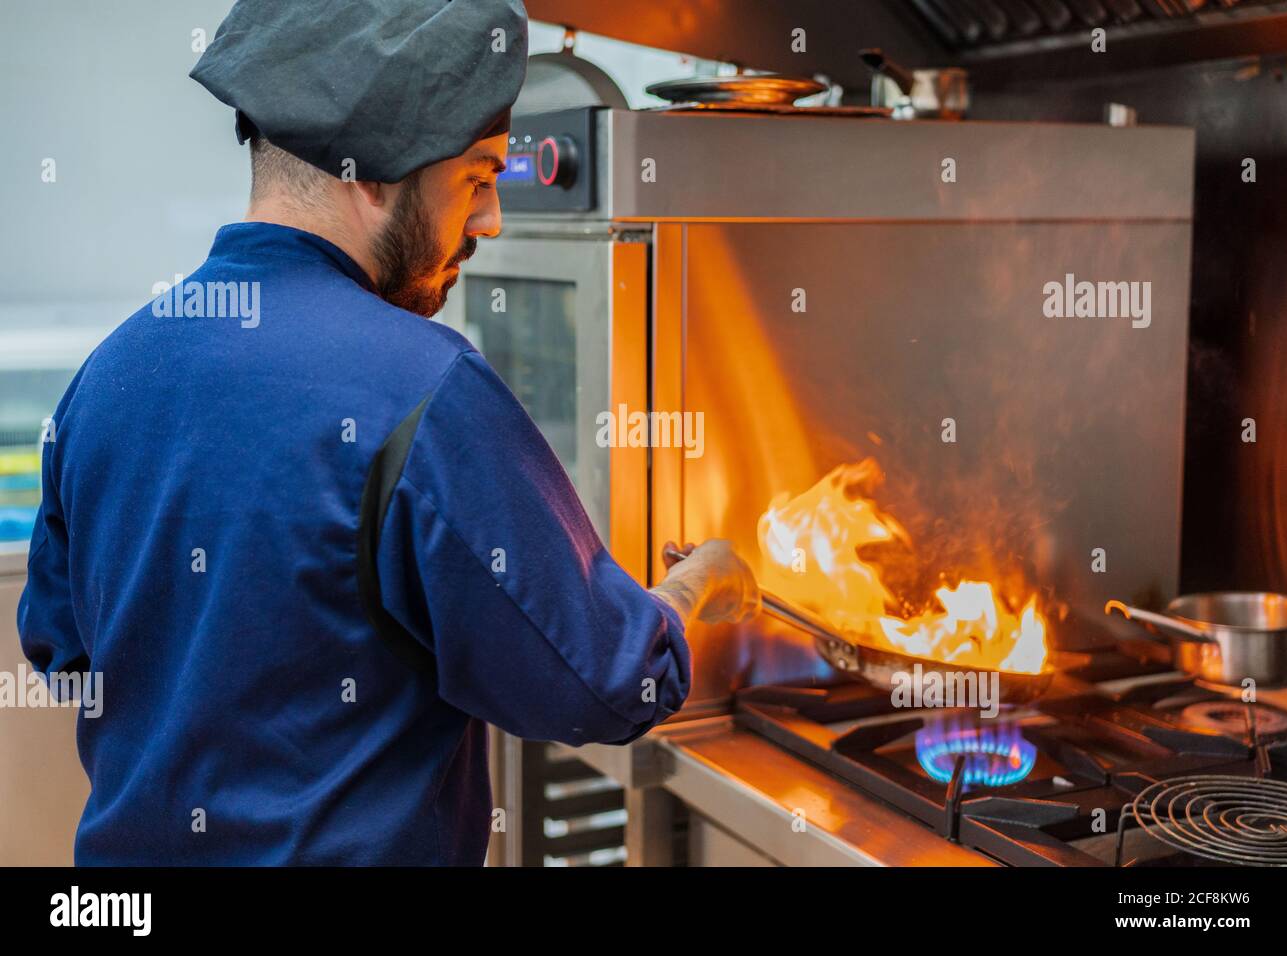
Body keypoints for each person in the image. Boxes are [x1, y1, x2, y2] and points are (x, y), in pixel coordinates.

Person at [17, 0, 758, 865]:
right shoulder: (426, 387)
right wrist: (696, 585)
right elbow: (607, 684)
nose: (491, 223)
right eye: (478, 179)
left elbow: (63, 652)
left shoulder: (108, 374)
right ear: (371, 173)